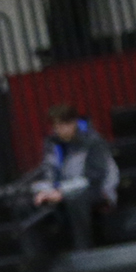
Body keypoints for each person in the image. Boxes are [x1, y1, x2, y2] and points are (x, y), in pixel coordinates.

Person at [28, 103, 119, 253]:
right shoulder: (52, 144)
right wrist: (44, 190)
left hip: (99, 189)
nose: (60, 130)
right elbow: (49, 171)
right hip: (65, 189)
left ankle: (83, 249)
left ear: (74, 123)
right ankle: (45, 254)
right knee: (31, 201)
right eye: (56, 126)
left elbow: (94, 178)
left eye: (64, 124)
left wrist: (61, 192)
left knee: (76, 199)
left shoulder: (93, 142)